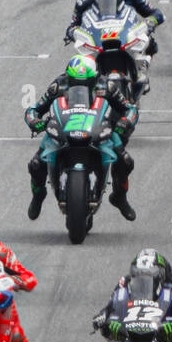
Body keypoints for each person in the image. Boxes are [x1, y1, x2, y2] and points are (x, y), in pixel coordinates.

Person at [23, 57, 139, 221]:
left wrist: (125, 121)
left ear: (94, 78)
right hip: (63, 126)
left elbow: (130, 108)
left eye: (85, 83)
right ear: (68, 77)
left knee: (125, 161)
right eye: (74, 82)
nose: (79, 86)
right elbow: (35, 108)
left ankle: (119, 196)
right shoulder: (59, 84)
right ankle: (38, 194)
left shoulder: (107, 85)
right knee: (35, 165)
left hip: (99, 126)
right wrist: (34, 121)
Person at [65, 0, 163, 94]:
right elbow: (72, 25)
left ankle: (141, 70)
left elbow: (157, 14)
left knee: (150, 41)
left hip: (124, 30)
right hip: (99, 34)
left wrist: (150, 23)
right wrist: (73, 33)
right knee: (77, 65)